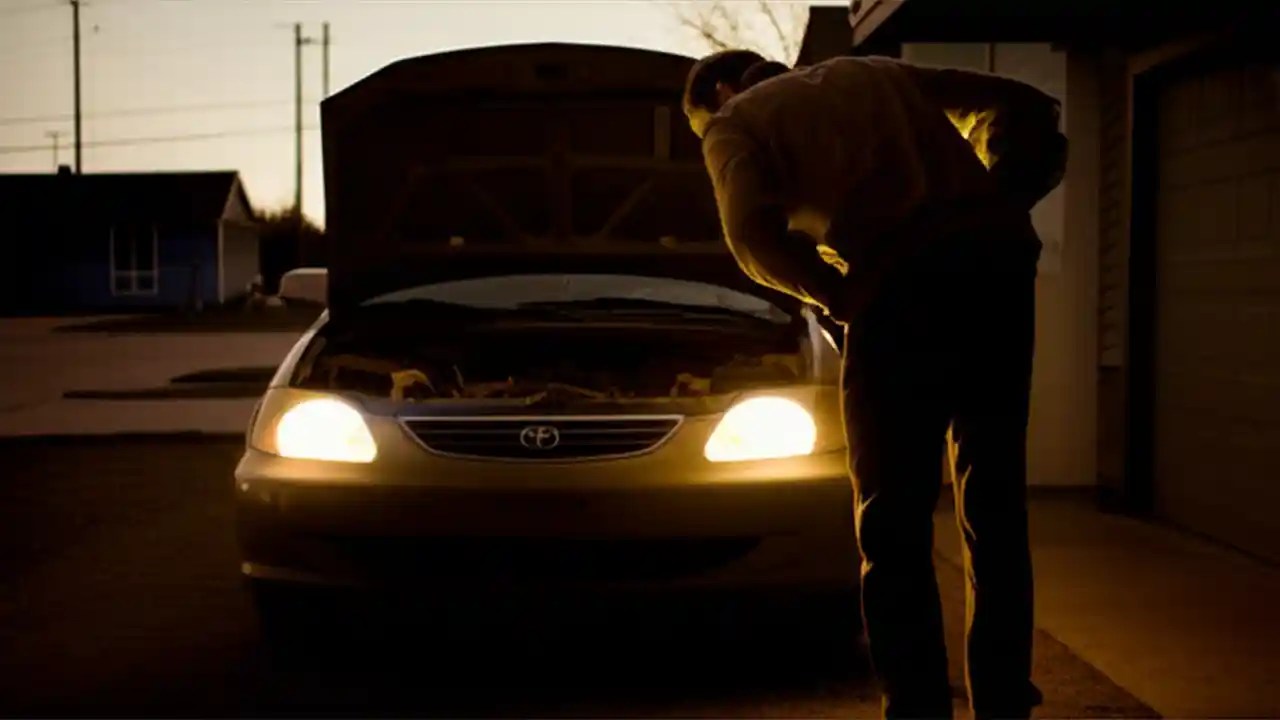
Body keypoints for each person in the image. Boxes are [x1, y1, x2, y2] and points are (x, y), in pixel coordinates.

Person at [684, 49, 1066, 720]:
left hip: (898, 289)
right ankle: (1004, 702)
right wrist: (1000, 196)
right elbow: (1031, 107)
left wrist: (841, 295)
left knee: (893, 522)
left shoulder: (733, 121)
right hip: (997, 274)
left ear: (718, 91)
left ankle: (917, 708)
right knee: (994, 501)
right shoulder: (873, 70)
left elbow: (752, 237)